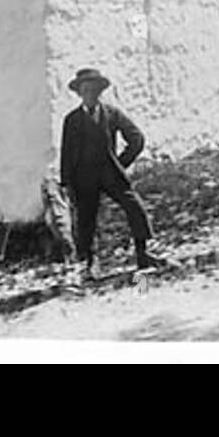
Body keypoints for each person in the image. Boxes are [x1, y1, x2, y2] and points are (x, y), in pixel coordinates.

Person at [58, 68, 166, 283]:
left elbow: (136, 139)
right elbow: (66, 153)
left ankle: (144, 255)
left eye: (94, 90)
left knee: (135, 207)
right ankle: (89, 264)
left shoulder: (111, 114)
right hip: (83, 178)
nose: (90, 94)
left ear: (100, 92)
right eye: (86, 90)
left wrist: (120, 163)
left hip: (110, 173)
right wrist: (66, 182)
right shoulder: (72, 120)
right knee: (85, 221)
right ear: (79, 93)